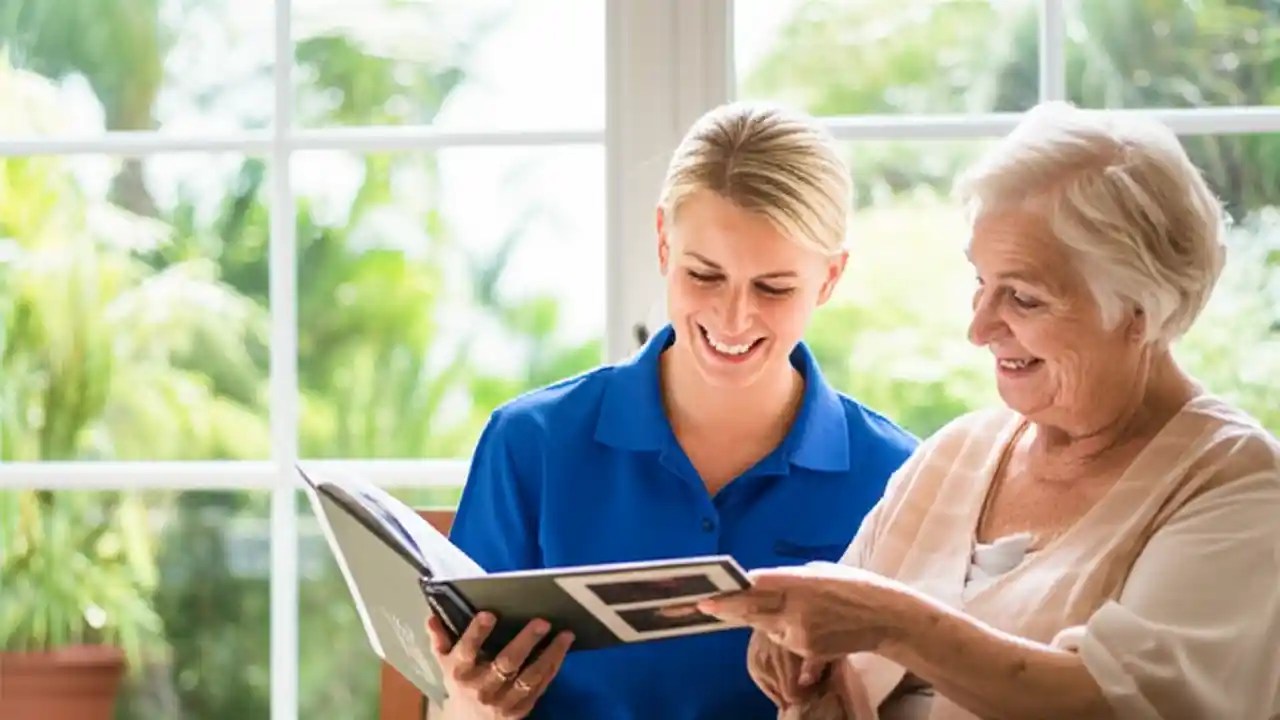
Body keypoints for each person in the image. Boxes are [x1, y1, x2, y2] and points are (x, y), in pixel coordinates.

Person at [699, 100, 1280, 720]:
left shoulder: (1237, 486)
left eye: (1023, 298)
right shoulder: (956, 453)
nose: (979, 328)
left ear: (1142, 312)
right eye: (981, 283)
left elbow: (1115, 705)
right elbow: (837, 665)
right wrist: (804, 665)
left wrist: (890, 625)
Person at [423, 101, 918, 719]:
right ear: (663, 242)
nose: (733, 317)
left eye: (773, 287)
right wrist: (474, 702)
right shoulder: (533, 445)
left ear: (830, 278)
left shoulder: (899, 479)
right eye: (704, 274)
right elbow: (453, 706)